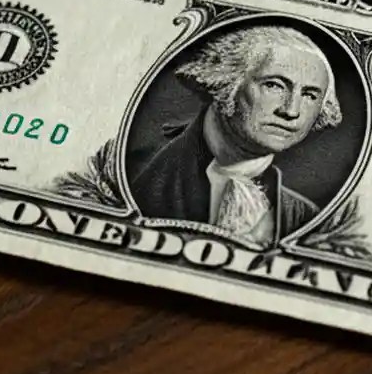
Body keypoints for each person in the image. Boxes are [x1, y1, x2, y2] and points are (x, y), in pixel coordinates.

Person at [129, 25, 342, 251]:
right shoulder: (134, 171)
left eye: (309, 95)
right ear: (226, 83)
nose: (291, 111)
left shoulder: (305, 217)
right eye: (274, 85)